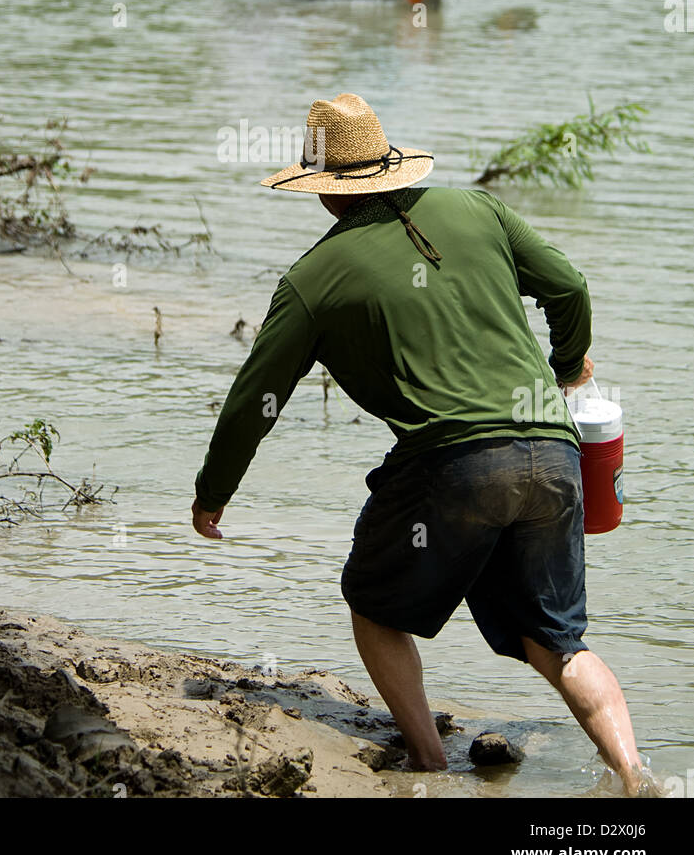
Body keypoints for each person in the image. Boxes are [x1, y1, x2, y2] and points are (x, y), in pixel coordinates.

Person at [192, 93, 645, 794]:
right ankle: (633, 775)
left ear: (322, 193)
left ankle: (427, 760)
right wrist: (561, 371)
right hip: (555, 455)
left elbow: (258, 397)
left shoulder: (312, 279)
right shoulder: (479, 211)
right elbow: (570, 287)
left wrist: (211, 494)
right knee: (557, 642)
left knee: (372, 603)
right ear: (393, 167)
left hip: (452, 464)